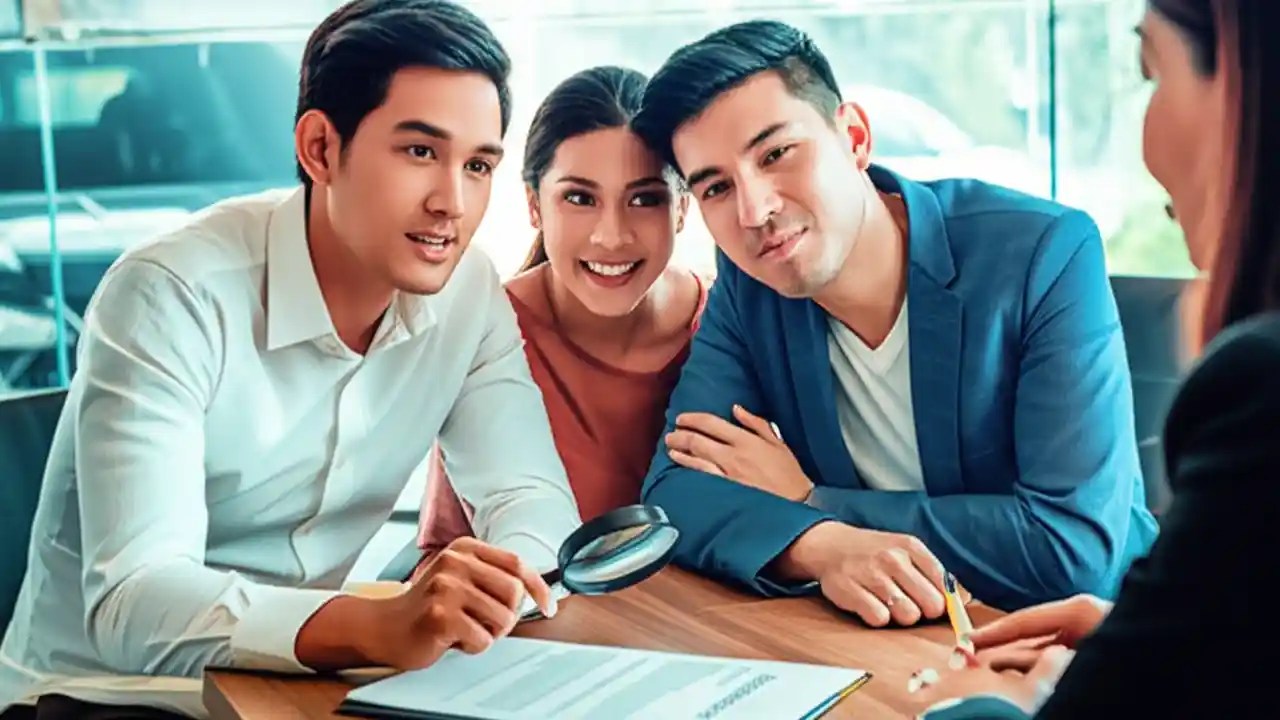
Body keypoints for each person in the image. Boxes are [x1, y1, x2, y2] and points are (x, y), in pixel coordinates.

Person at [0, 1, 581, 718]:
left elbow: (532, 499)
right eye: (420, 152)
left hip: (305, 686)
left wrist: (499, 586)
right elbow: (134, 604)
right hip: (102, 696)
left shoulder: (468, 294)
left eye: (479, 164)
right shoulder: (170, 294)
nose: (452, 203)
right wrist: (383, 623)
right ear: (319, 149)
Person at [630, 20, 1159, 626]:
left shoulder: (1044, 253)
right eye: (717, 188)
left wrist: (812, 501)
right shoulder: (752, 285)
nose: (756, 211)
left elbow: (1073, 551)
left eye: (776, 154)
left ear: (853, 137)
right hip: (890, 640)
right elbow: (675, 492)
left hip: (1090, 645)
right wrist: (823, 545)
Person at [911, 1, 1280, 717]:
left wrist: (979, 706)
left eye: (1151, 74)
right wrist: (1160, 643)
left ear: (1243, 82)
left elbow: (1068, 544)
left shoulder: (1259, 392)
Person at [416, 66, 705, 556]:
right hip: (543, 622)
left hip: (708, 623)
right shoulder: (487, 327)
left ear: (682, 208)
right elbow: (446, 553)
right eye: (579, 197)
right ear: (534, 206)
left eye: (644, 199)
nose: (611, 236)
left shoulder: (732, 325)